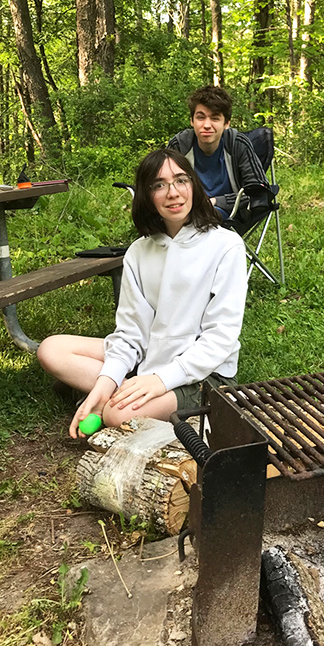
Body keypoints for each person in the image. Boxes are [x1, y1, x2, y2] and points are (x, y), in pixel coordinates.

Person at [37, 149, 248, 438]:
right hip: (149, 358)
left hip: (204, 376)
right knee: (51, 349)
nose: (172, 192)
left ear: (193, 186)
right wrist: (104, 383)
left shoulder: (226, 246)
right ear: (147, 196)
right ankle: (118, 390)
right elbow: (130, 333)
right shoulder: (138, 252)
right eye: (159, 185)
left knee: (116, 414)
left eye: (180, 180)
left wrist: (160, 380)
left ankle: (118, 398)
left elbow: (221, 338)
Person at [168, 85, 270, 223]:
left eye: (215, 118)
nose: (207, 125)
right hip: (185, 211)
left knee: (202, 219)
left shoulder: (237, 145)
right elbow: (163, 185)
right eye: (200, 117)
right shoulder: (179, 146)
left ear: (226, 123)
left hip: (229, 213)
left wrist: (215, 201)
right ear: (192, 121)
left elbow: (258, 192)